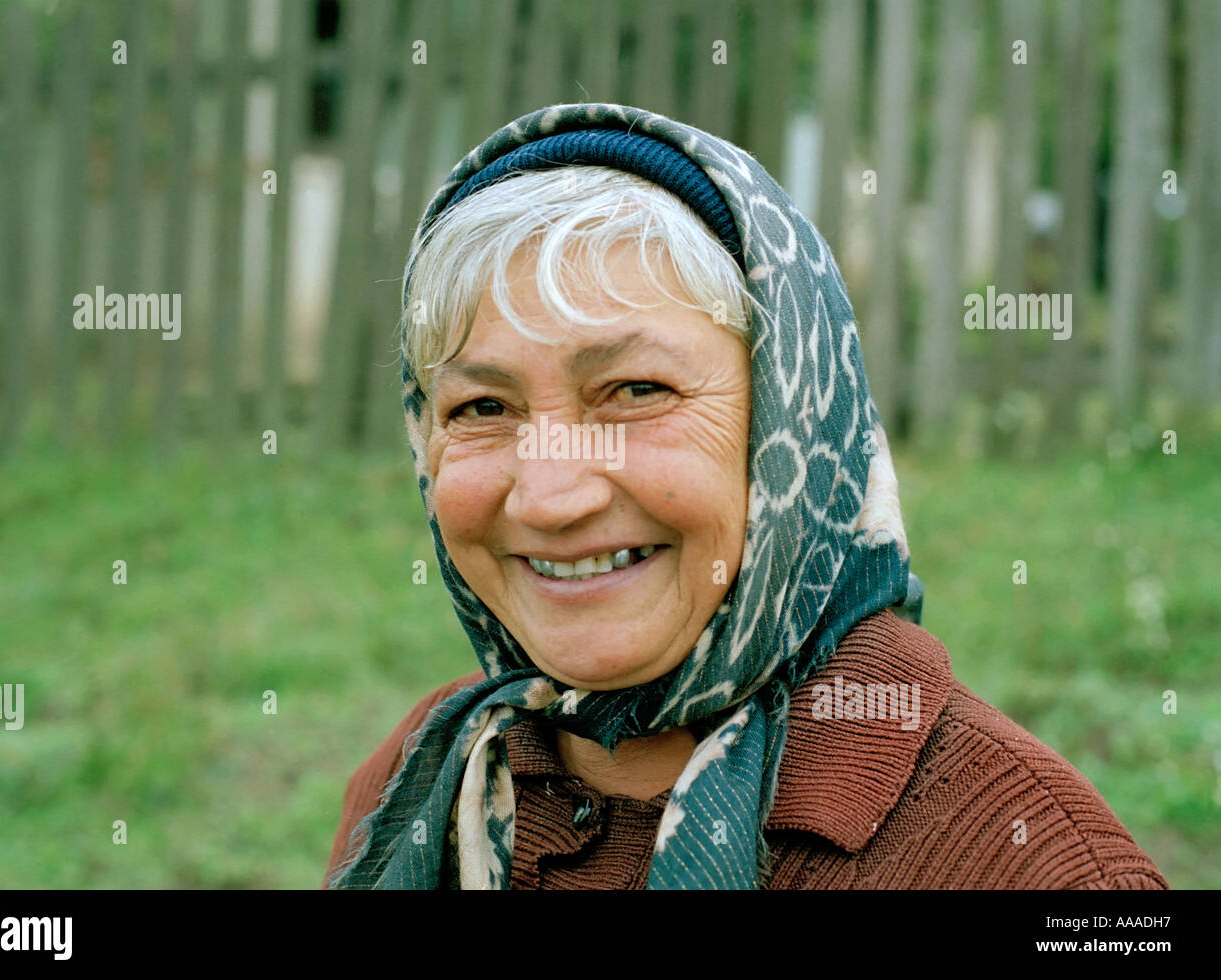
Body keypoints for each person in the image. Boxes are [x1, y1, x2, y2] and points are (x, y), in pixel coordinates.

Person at [325, 103, 1167, 890]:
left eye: (636, 391)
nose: (550, 498)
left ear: (791, 422)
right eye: (482, 407)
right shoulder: (424, 781)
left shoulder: (1028, 860)